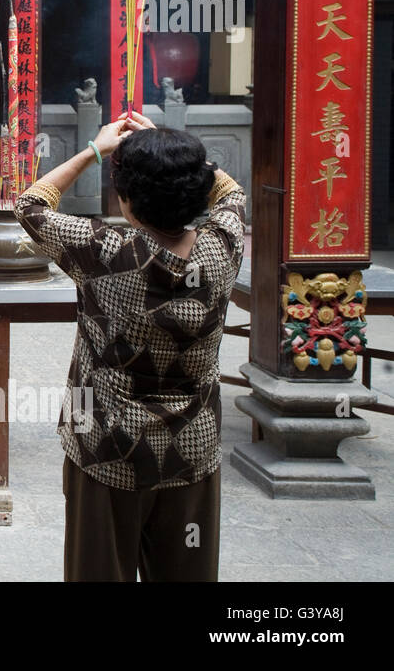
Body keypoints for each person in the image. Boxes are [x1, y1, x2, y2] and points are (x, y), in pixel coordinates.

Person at [13, 111, 245, 582]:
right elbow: (232, 193)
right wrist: (181, 159)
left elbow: (30, 205)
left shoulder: (105, 251)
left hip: (109, 447)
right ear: (198, 192)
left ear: (126, 201)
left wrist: (97, 148)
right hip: (192, 448)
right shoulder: (223, 246)